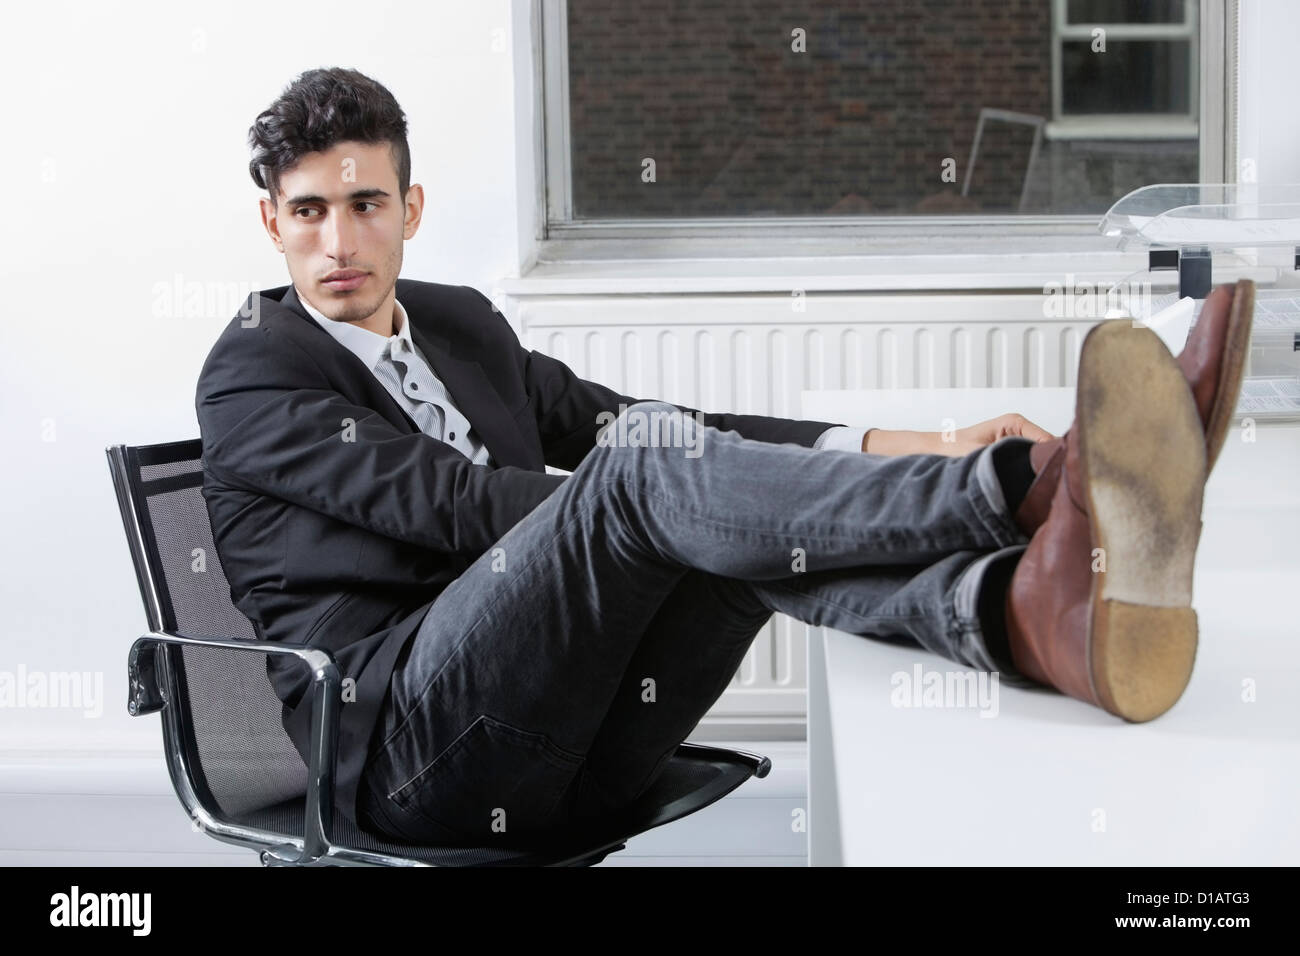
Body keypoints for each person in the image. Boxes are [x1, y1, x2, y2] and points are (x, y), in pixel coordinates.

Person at [196, 67, 1252, 848]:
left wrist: (915, 436)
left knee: (682, 483)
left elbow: (637, 423)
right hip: (404, 754)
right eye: (309, 212)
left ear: (408, 210)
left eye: (364, 204)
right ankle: (1026, 495)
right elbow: (461, 509)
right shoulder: (252, 373)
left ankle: (1024, 614)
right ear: (271, 224)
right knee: (651, 487)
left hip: (566, 724)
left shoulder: (460, 323)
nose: (338, 241)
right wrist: (653, 503)